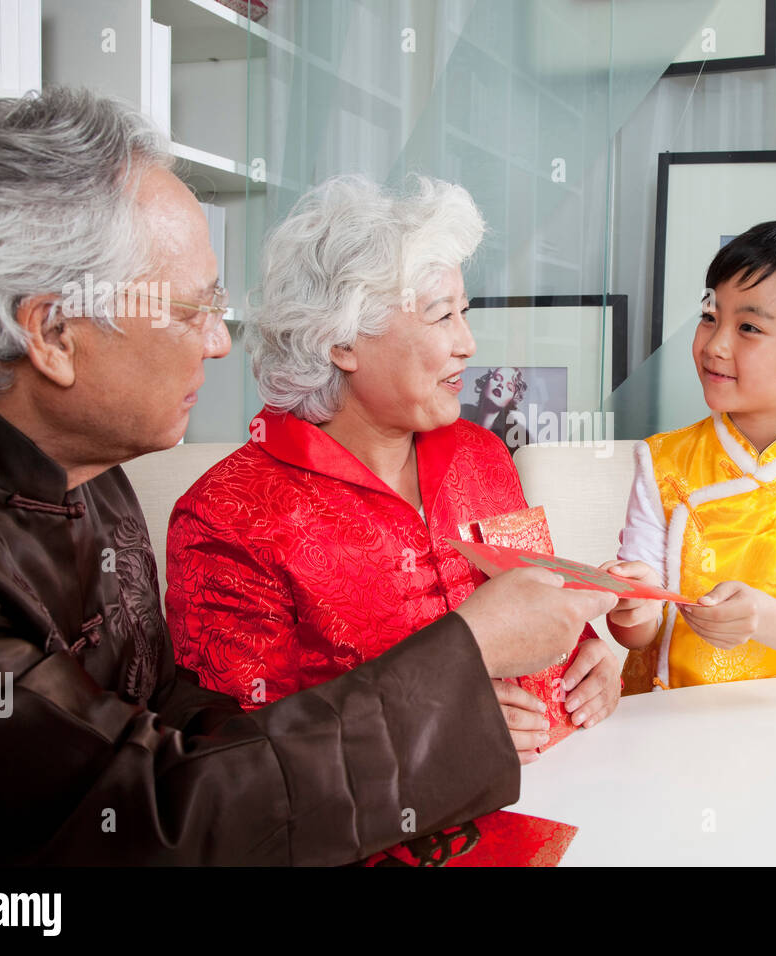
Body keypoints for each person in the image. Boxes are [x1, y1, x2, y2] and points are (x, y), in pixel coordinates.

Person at [0, 88, 615, 865]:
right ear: (52, 333)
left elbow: (180, 722)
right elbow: (148, 818)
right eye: (191, 311)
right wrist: (465, 661)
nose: (218, 344)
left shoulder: (88, 473)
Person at [166, 175, 622, 763]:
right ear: (343, 341)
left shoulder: (481, 455)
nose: (468, 344)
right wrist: (436, 731)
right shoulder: (228, 517)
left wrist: (590, 659)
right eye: (441, 318)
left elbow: (537, 609)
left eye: (465, 312)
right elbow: (243, 761)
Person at [602, 220, 776, 693]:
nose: (714, 345)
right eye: (710, 316)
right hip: (669, 718)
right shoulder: (661, 461)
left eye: (749, 328)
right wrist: (630, 607)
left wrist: (761, 618)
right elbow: (640, 635)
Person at [462, 365, 532, 450]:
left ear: (511, 400)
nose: (500, 385)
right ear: (485, 382)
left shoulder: (517, 436)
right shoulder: (459, 414)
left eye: (509, 388)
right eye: (497, 378)